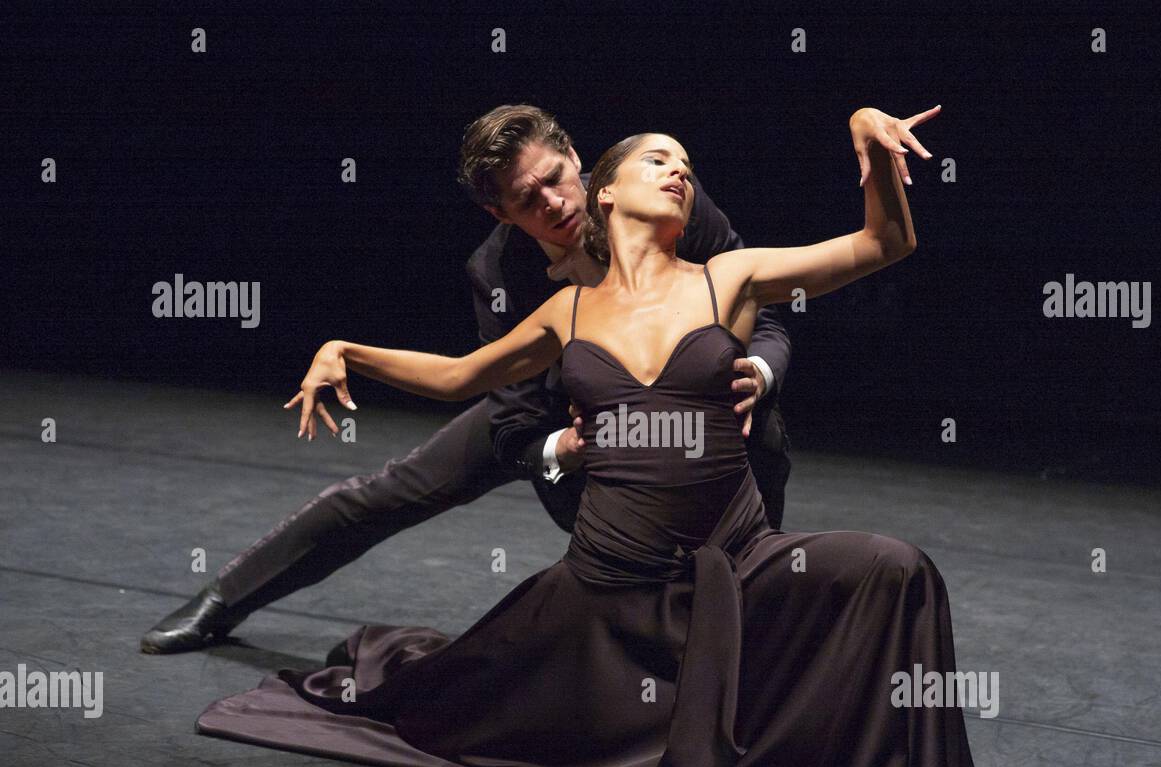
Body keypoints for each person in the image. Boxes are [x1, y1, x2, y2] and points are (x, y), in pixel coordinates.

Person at [197, 104, 1025, 767]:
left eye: (685, 165)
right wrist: (346, 350)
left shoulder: (721, 273)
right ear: (604, 193)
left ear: (579, 171)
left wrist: (867, 145)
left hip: (722, 534)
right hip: (601, 542)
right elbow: (463, 380)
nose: (679, 173)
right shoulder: (544, 300)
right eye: (658, 161)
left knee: (895, 566)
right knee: (423, 587)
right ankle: (227, 598)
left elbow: (882, 245)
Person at [142, 104, 792, 653]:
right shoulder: (498, 273)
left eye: (557, 178)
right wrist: (563, 449)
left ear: (574, 155)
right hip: (566, 406)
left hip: (681, 391)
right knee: (389, 491)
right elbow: (510, 420)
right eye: (528, 200)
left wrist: (758, 372)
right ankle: (222, 599)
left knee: (758, 427)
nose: (555, 202)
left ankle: (752, 603)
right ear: (500, 213)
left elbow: (764, 310)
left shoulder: (657, 192)